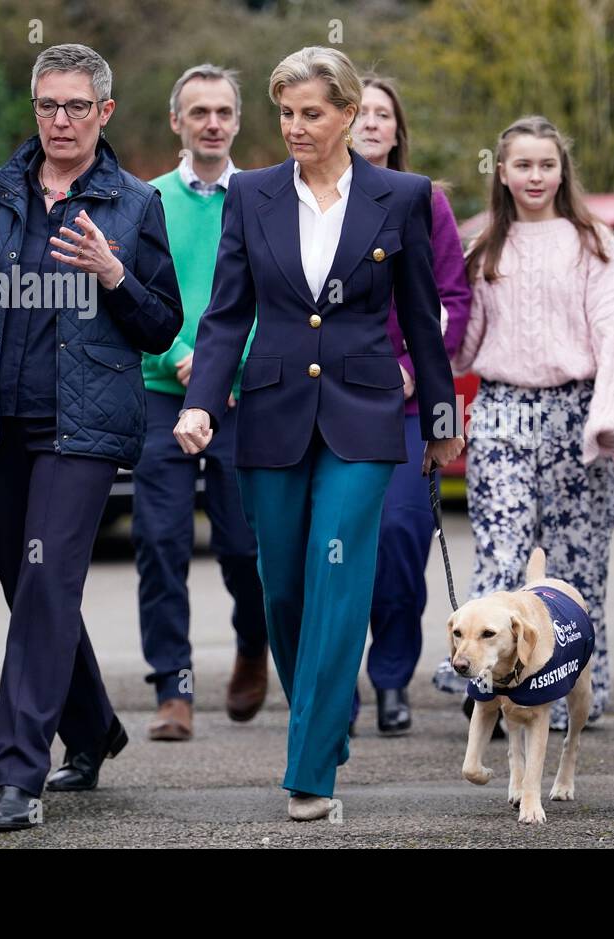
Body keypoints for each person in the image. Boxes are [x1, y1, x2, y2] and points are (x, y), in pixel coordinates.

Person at [172, 46, 462, 822]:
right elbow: (227, 313)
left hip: (365, 418)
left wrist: (440, 420)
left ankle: (308, 772)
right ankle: (325, 726)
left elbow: (420, 322)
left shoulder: (401, 196)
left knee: (338, 575)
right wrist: (203, 401)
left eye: (311, 114)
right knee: (285, 590)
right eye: (285, 114)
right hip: (268, 414)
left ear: (346, 112)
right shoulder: (253, 196)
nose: (294, 128)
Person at [0, 43, 183, 831]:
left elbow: (160, 324)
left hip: (82, 428)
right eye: (47, 105)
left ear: (105, 112)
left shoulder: (134, 205)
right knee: (26, 585)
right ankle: (95, 725)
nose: (60, 119)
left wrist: (113, 274)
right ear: (34, 109)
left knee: (46, 583)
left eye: (76, 105)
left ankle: (16, 776)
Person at [451, 115, 614, 733]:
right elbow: (462, 340)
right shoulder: (484, 248)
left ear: (563, 171)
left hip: (574, 413)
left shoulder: (595, 243)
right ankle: (489, 683)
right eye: (522, 165)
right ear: (501, 173)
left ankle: (574, 687)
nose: (535, 176)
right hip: (503, 411)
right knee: (501, 553)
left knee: (573, 564)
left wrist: (608, 416)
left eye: (547, 164)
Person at [133, 63, 267, 743]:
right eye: (198, 112)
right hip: (162, 390)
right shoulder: (146, 201)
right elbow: (133, 297)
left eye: (223, 111)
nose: (212, 122)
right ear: (176, 122)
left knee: (244, 547)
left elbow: (273, 299)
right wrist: (180, 354)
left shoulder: (266, 198)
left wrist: (221, 368)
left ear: (237, 121)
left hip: (244, 397)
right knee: (160, 542)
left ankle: (252, 643)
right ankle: (174, 687)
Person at [345, 75, 471, 736]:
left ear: (397, 130)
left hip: (408, 408)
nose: (370, 122)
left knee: (398, 535)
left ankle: (393, 675)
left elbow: (453, 301)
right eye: (359, 111)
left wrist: (414, 372)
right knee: (338, 546)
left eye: (382, 113)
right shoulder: (316, 200)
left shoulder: (426, 202)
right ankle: (340, 687)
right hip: (331, 401)